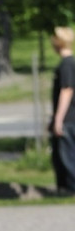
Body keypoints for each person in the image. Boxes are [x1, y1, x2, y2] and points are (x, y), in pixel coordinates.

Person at [51, 26, 75, 195]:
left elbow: (67, 90)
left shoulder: (67, 64)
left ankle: (70, 189)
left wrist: (58, 119)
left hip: (68, 119)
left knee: (67, 158)